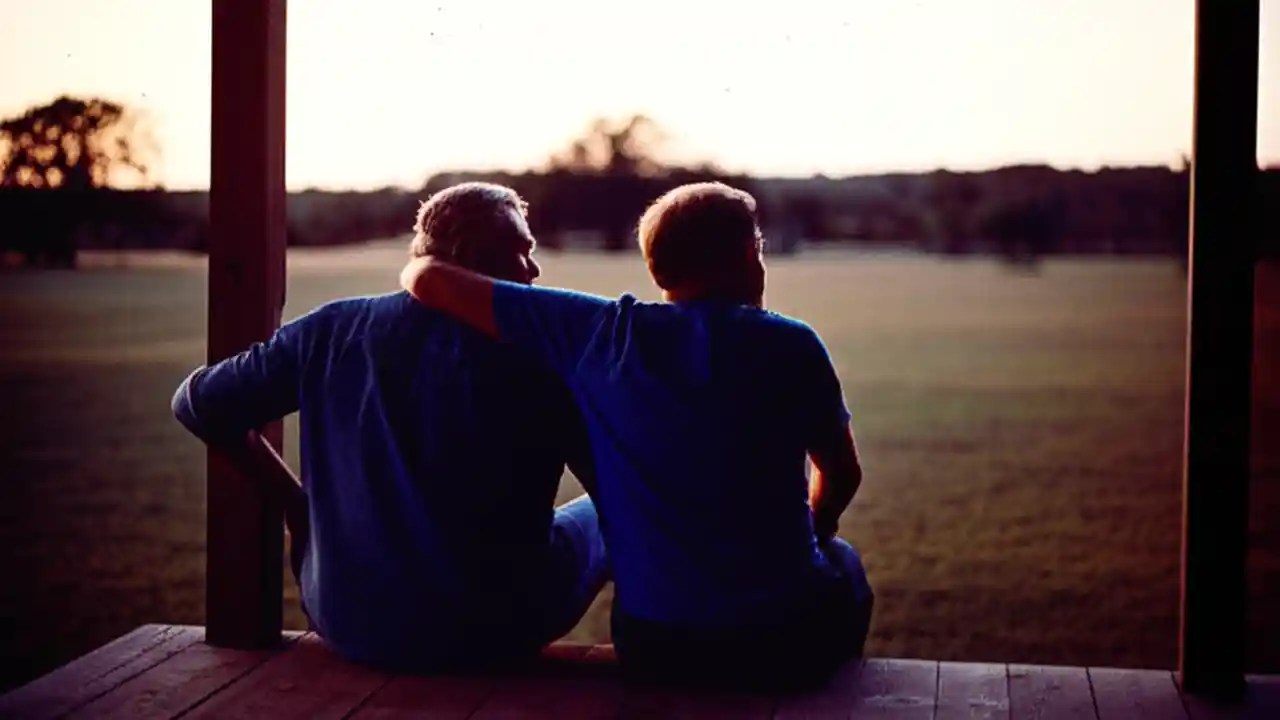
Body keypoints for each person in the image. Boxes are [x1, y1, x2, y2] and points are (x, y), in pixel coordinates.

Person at [398, 182, 873, 690]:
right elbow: (841, 474)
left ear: (657, 268)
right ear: (749, 258)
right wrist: (816, 529)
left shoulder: (598, 332)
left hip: (655, 648)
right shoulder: (793, 345)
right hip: (780, 641)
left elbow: (426, 277)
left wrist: (419, 261)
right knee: (845, 564)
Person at [171, 182, 607, 673]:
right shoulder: (540, 350)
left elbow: (199, 403)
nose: (534, 269)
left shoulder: (330, 329)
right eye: (519, 252)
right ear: (465, 258)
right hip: (495, 632)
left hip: (347, 623)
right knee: (607, 509)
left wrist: (297, 507)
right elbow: (611, 485)